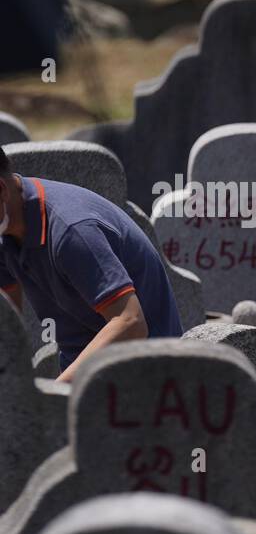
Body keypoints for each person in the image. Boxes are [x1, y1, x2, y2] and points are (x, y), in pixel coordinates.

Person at [0, 145, 182, 382]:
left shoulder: (72, 231)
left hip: (147, 377)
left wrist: (52, 396)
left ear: (1, 190)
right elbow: (7, 325)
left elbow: (130, 323)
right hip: (83, 372)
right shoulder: (7, 231)